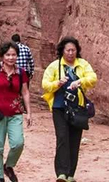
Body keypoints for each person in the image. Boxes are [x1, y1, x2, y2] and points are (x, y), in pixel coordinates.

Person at [42, 36, 97, 182]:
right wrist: (57, 83)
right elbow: (45, 84)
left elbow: (93, 78)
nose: (71, 53)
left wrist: (80, 81)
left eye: (73, 50)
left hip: (77, 108)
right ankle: (61, 173)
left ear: (77, 51)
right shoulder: (55, 66)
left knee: (74, 140)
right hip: (59, 107)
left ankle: (70, 174)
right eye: (68, 50)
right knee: (62, 138)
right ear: (62, 51)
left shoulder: (83, 64)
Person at [0, 40, 31, 182]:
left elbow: (25, 92)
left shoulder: (21, 73)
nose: (11, 58)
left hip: (15, 113)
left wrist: (29, 113)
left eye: (14, 55)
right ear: (2, 56)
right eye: (8, 55)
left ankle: (8, 166)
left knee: (18, 143)